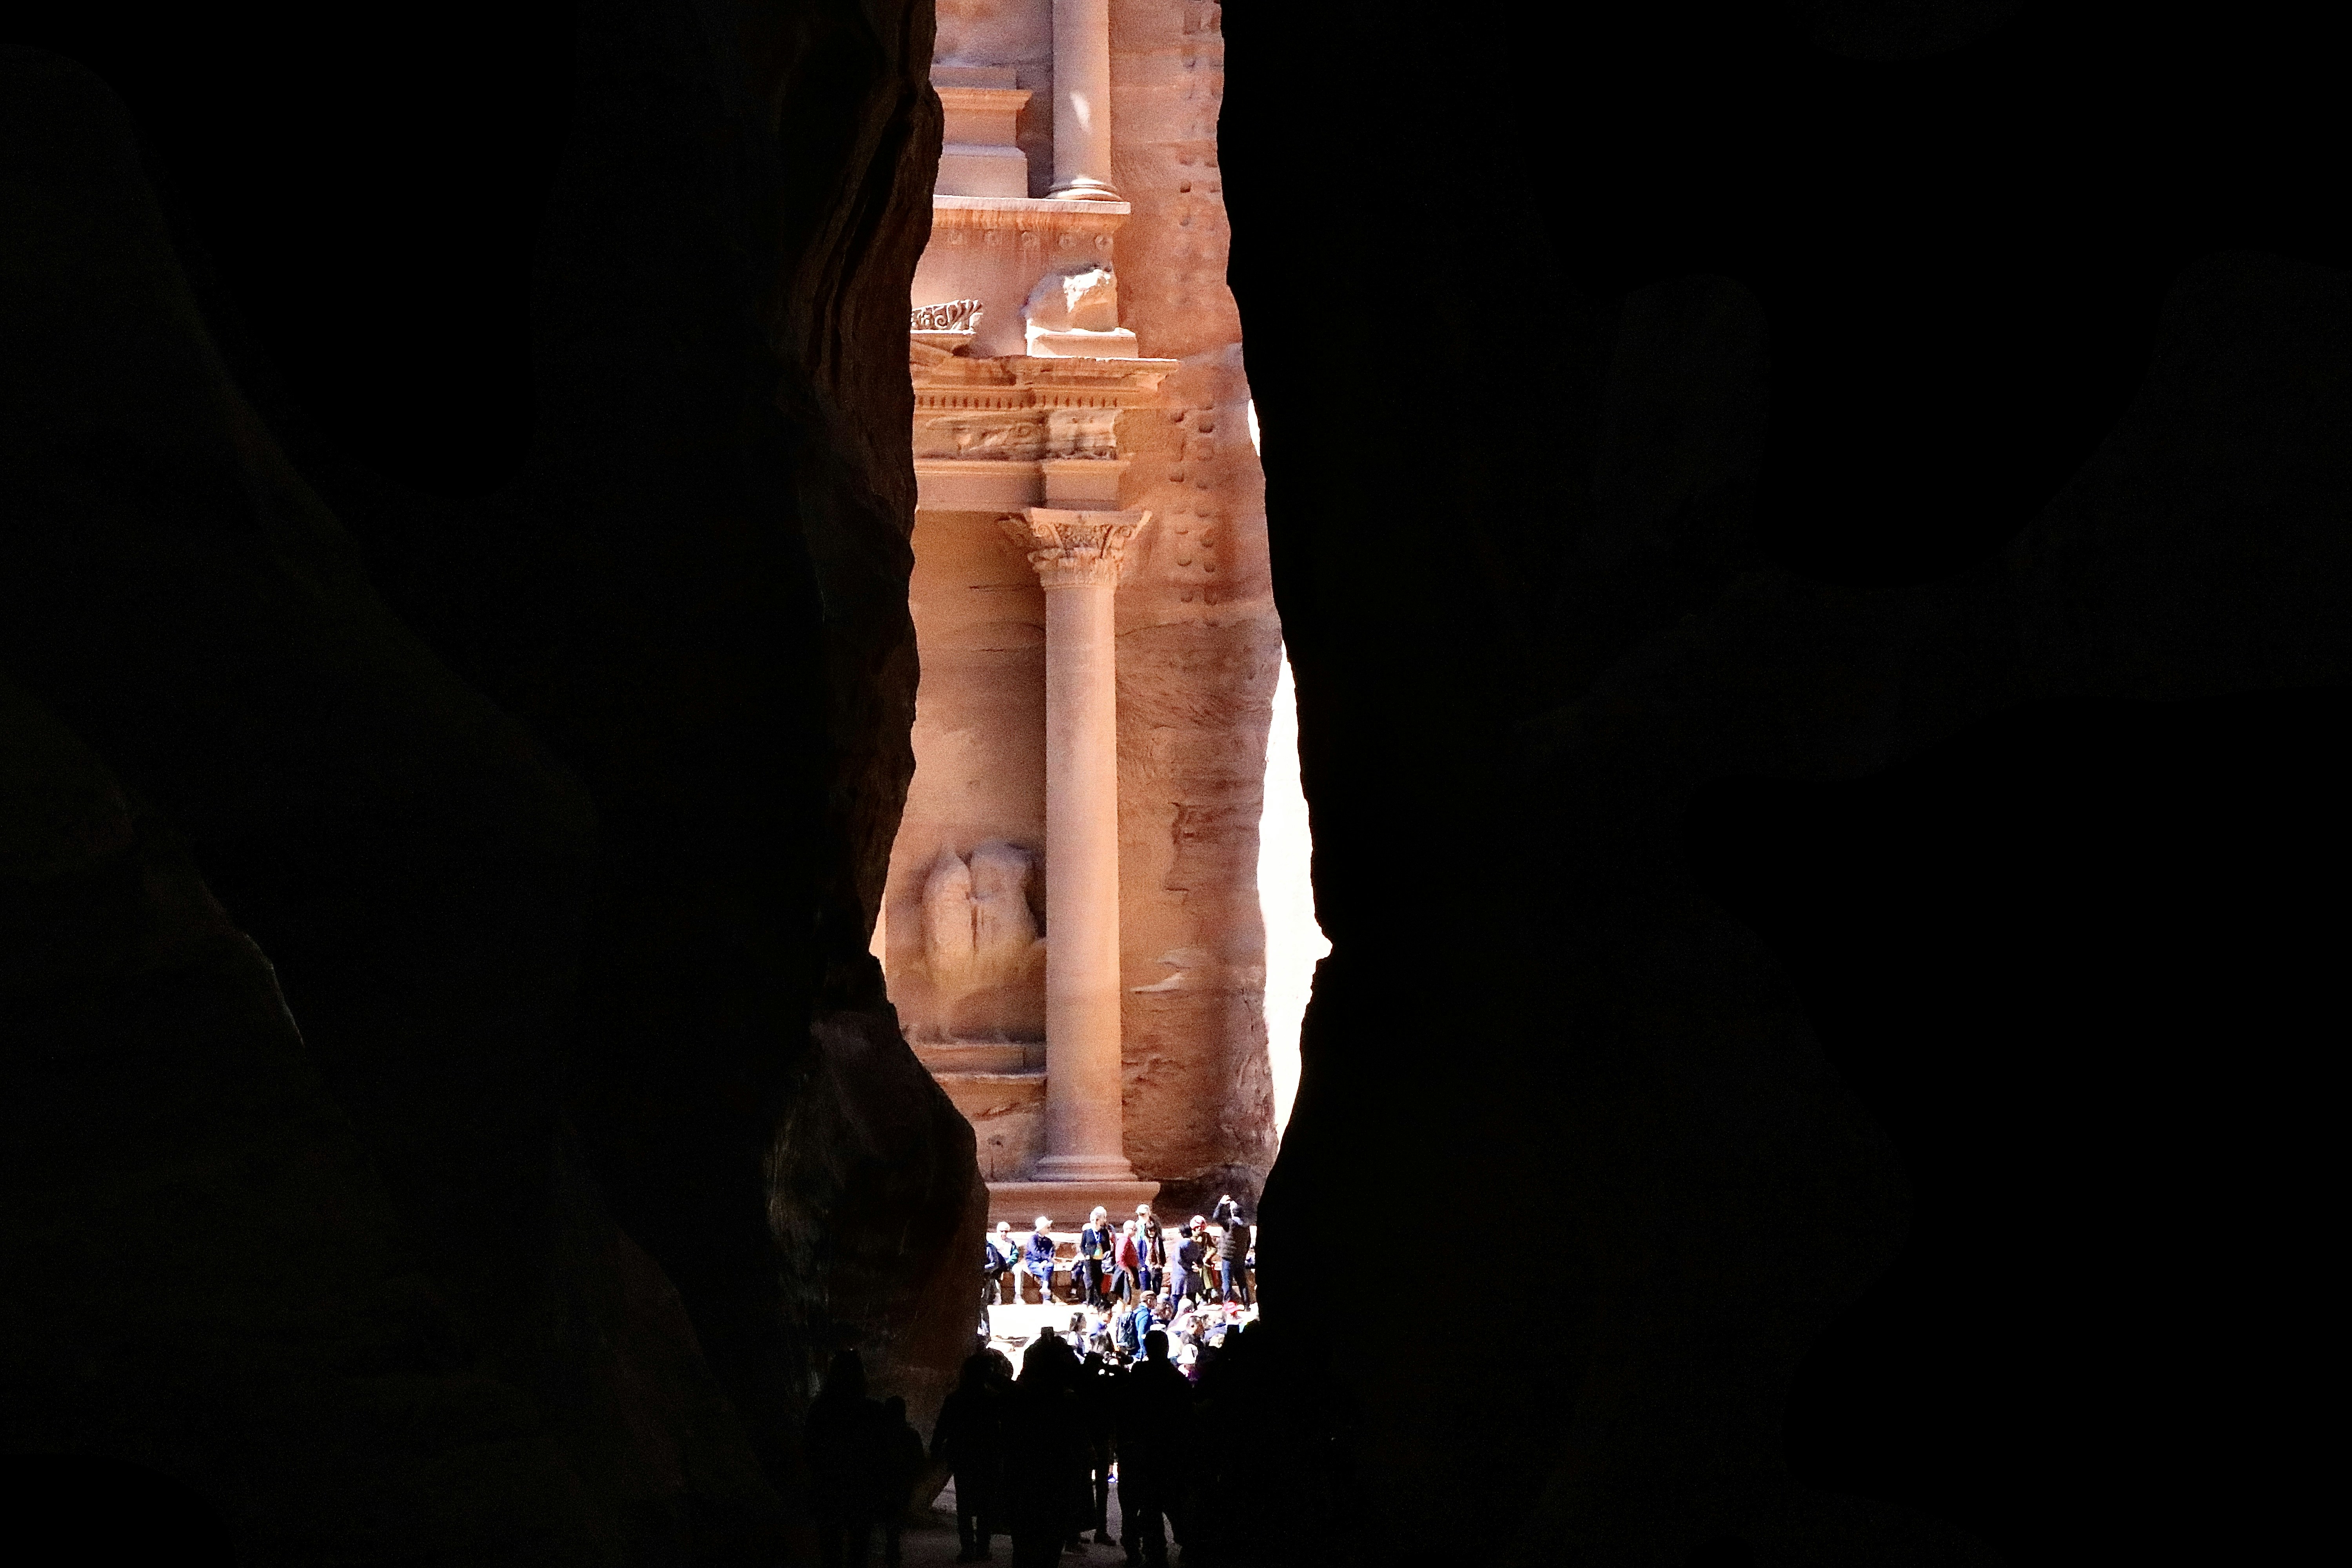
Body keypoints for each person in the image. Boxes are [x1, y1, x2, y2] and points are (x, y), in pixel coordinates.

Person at [1115, 1329, 1194, 1568]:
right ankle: (1184, 1546)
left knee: (1149, 1507)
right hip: (1168, 1451)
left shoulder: (1140, 1376)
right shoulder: (1176, 1380)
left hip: (1143, 1450)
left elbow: (1127, 1411)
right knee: (1172, 1505)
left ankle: (1154, 1553)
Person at [932, 1351, 1007, 1563]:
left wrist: (936, 1449)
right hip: (989, 1456)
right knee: (986, 1506)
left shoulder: (956, 1398)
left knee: (964, 1504)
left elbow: (942, 1428)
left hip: (964, 1456)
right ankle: (982, 1548)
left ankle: (968, 1548)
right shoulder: (994, 1398)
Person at [808, 1348, 878, 1568]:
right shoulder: (871, 1410)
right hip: (862, 1486)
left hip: (829, 1485)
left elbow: (811, 1448)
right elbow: (879, 1452)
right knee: (859, 1549)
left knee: (831, 1549)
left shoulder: (820, 1409)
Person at [867, 1394, 927, 1568]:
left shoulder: (879, 1434)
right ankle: (893, 1548)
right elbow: (918, 1460)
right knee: (896, 1515)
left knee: (884, 1514)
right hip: (902, 1481)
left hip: (883, 1479)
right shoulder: (911, 1434)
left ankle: (884, 1547)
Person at [1209, 1194, 1250, 1305]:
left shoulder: (1230, 1224)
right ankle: (1247, 1305)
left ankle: (1228, 1304)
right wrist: (1243, 1253)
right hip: (1240, 1257)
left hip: (1228, 1258)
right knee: (1242, 1282)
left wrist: (1221, 1204)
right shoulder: (1246, 1226)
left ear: (1233, 1213)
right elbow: (1249, 1242)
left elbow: (1216, 1217)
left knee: (1227, 1282)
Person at [1076, 1206, 1112, 1308]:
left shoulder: (1104, 1232)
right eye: (1093, 1220)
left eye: (1097, 1220)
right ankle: (1090, 1302)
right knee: (1090, 1281)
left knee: (1099, 1281)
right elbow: (1082, 1246)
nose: (1095, 1222)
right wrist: (1086, 1255)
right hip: (1090, 1260)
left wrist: (1107, 1256)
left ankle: (1098, 1302)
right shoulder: (1087, 1233)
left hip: (1101, 1260)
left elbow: (1107, 1246)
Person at [1022, 1216, 1058, 1306]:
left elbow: (1051, 1253)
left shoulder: (1049, 1241)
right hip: (1033, 1262)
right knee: (1044, 1274)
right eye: (1048, 1227)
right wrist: (1044, 1260)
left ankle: (1045, 1289)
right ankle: (1047, 1299)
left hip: (1045, 1263)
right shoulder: (1033, 1239)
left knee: (1050, 1266)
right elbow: (1035, 1252)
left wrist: (1046, 1261)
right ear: (1042, 1229)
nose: (1050, 1229)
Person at [1171, 1219, 1203, 1307]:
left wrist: (1189, 1267)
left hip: (1180, 1276)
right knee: (1192, 1302)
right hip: (1193, 1276)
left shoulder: (1180, 1245)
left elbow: (1179, 1260)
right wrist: (1196, 1267)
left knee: (1175, 1300)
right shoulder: (1196, 1245)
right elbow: (1200, 1260)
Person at [988, 1222, 1020, 1305]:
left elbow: (1015, 1254)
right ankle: (997, 1295)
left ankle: (1018, 1295)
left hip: (1009, 1263)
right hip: (998, 1263)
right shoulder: (992, 1241)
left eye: (1006, 1232)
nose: (1004, 1234)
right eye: (1002, 1231)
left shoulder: (1011, 1242)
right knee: (995, 1272)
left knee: (1019, 1269)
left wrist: (1010, 1262)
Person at [1112, 1218, 1141, 1306]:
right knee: (1126, 1297)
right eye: (1134, 1229)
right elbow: (1120, 1259)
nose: (1136, 1232)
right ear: (1128, 1229)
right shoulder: (1124, 1240)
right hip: (1126, 1271)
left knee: (1131, 1297)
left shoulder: (1128, 1240)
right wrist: (1129, 1273)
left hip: (1131, 1270)